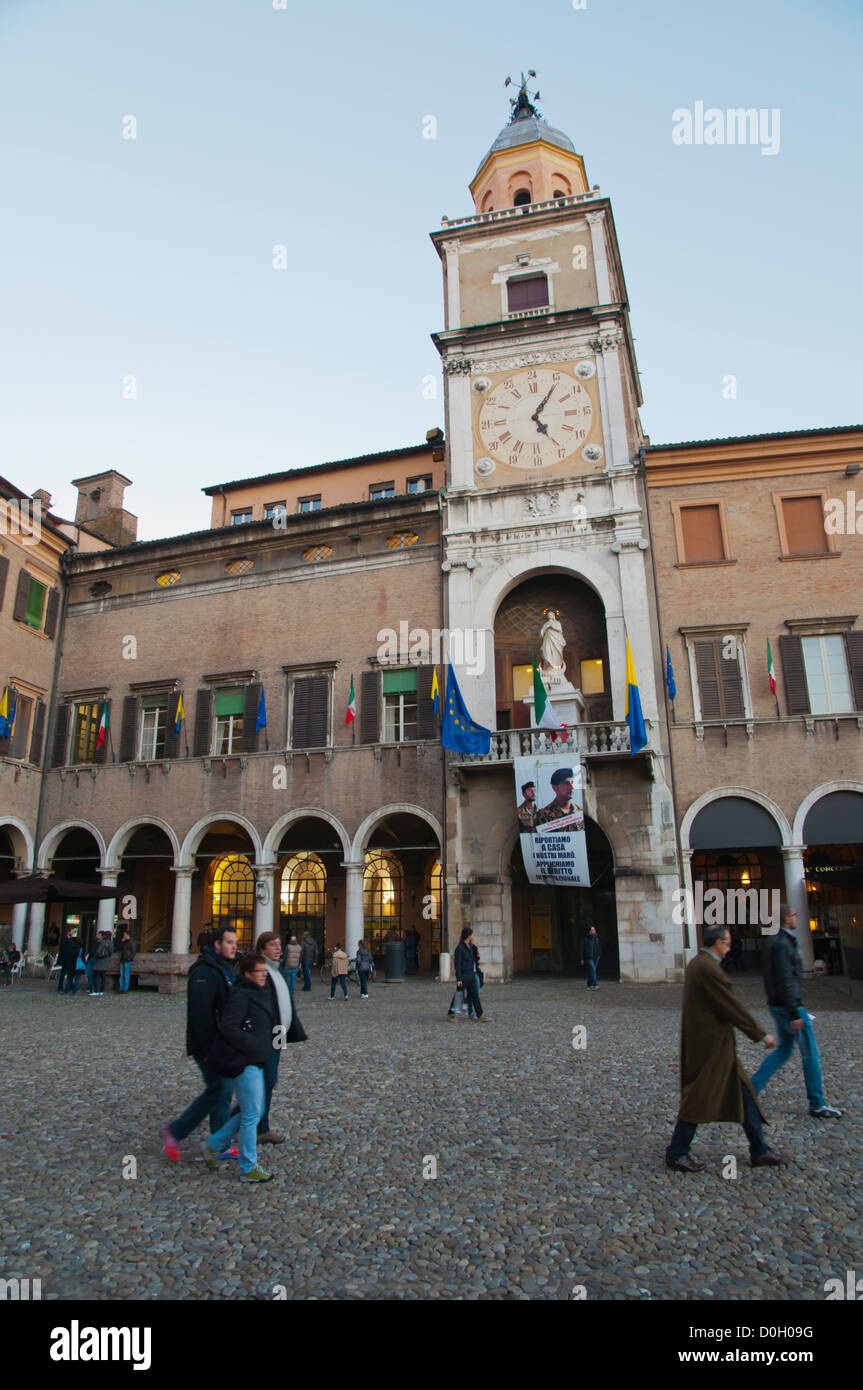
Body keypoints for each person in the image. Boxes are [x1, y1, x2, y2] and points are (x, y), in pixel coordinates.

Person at [665, 925, 786, 1172]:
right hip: (711, 1047)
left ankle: (759, 1149)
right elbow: (730, 1006)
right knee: (698, 1097)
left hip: (716, 1044)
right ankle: (677, 1152)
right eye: (727, 943)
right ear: (716, 943)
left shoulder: (699, 964)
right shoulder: (708, 969)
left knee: (746, 1094)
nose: (729, 949)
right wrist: (760, 1033)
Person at [751, 904, 844, 1120]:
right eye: (794, 915)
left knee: (783, 1051)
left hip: (777, 1004)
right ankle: (817, 1103)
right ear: (785, 918)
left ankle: (750, 1090)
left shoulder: (774, 940)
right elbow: (785, 977)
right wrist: (794, 1013)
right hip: (789, 1006)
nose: (796, 918)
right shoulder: (782, 942)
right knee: (810, 1053)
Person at [161, 926, 238, 1161]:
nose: (234, 946)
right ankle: (175, 1131)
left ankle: (219, 1141)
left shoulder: (224, 968)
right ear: (216, 944)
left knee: (223, 1090)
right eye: (229, 942)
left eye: (235, 942)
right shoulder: (204, 971)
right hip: (209, 1046)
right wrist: (209, 1050)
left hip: (223, 1043)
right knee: (220, 1089)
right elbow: (201, 1016)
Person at [200, 953, 276, 1183]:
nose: (264, 975)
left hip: (258, 1058)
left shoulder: (260, 991)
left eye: (265, 971)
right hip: (245, 1060)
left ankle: (213, 1145)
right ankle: (247, 1166)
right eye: (259, 972)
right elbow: (229, 1027)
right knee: (252, 1112)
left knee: (251, 1109)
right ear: (247, 974)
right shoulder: (241, 995)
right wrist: (251, 1044)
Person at [254, 932, 291, 1145]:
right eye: (272, 945)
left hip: (279, 1034)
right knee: (265, 1081)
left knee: (270, 1080)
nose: (278, 948)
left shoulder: (278, 970)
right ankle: (250, 1125)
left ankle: (261, 1126)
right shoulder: (260, 971)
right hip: (265, 1036)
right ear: (262, 949)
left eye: (279, 944)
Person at [453, 927, 488, 1022]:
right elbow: (458, 965)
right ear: (469, 936)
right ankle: (451, 1014)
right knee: (458, 994)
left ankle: (480, 1014)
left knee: (475, 995)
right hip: (464, 975)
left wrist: (477, 957)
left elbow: (472, 961)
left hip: (471, 974)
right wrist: (459, 978)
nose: (473, 936)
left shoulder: (470, 947)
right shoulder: (460, 948)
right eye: (472, 934)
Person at [90, 930, 113, 996]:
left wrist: (96, 955)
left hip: (99, 961)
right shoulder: (111, 943)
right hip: (106, 961)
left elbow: (98, 951)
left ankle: (96, 991)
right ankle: (101, 991)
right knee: (103, 977)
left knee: (95, 977)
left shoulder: (103, 942)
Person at [57, 927, 80, 994]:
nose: (73, 933)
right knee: (63, 973)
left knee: (69, 973)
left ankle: (70, 986)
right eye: (72, 931)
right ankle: (60, 987)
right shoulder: (64, 938)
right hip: (65, 959)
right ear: (68, 932)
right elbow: (63, 949)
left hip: (69, 960)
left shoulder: (71, 939)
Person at [581, 923, 601, 990]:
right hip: (589, 957)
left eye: (594, 930)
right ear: (589, 931)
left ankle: (589, 985)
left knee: (592, 971)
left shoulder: (596, 938)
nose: (594, 931)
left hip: (596, 957)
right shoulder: (585, 939)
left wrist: (599, 954)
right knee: (593, 970)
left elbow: (598, 946)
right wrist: (581, 959)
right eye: (592, 930)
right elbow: (581, 949)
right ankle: (595, 984)